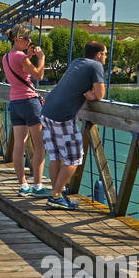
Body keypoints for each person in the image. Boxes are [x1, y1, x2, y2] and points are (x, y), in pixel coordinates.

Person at [39, 40, 108, 209]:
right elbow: (100, 94)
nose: (106, 57)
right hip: (62, 116)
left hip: (47, 111)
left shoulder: (77, 61)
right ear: (98, 54)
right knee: (74, 159)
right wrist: (91, 95)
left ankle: (56, 195)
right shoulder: (96, 66)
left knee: (55, 156)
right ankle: (56, 196)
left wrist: (90, 94)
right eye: (105, 54)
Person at [1, 26, 49, 195]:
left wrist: (28, 57)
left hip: (15, 103)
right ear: (17, 39)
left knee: (19, 146)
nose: (29, 41)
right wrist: (41, 58)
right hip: (30, 103)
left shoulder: (6, 57)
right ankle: (37, 186)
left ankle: (23, 185)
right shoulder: (21, 57)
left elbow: (19, 72)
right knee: (39, 146)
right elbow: (38, 75)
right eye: (26, 38)